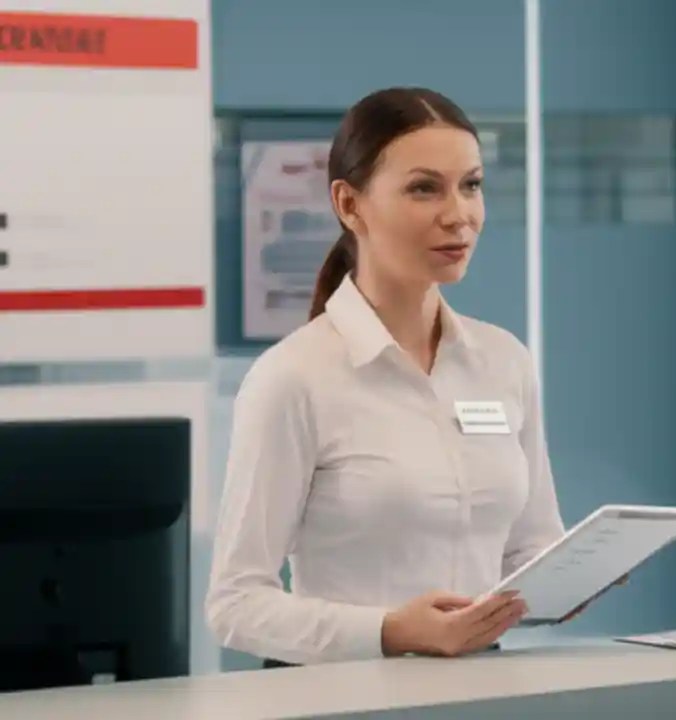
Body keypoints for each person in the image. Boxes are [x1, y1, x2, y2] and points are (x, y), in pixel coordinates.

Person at [206, 87, 567, 666]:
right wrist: (391, 630)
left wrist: (574, 575)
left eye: (470, 185)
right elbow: (235, 604)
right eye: (425, 188)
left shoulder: (504, 361)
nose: (459, 215)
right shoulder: (293, 378)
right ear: (350, 205)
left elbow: (532, 546)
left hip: (482, 692)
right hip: (340, 698)